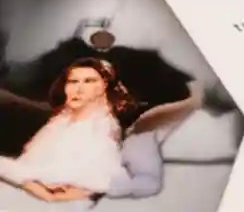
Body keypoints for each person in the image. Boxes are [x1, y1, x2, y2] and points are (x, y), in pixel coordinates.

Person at [0, 58, 203, 206]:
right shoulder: (56, 121)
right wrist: (28, 183)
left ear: (105, 87)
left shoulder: (122, 130)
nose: (77, 88)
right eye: (72, 82)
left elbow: (134, 181)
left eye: (89, 81)